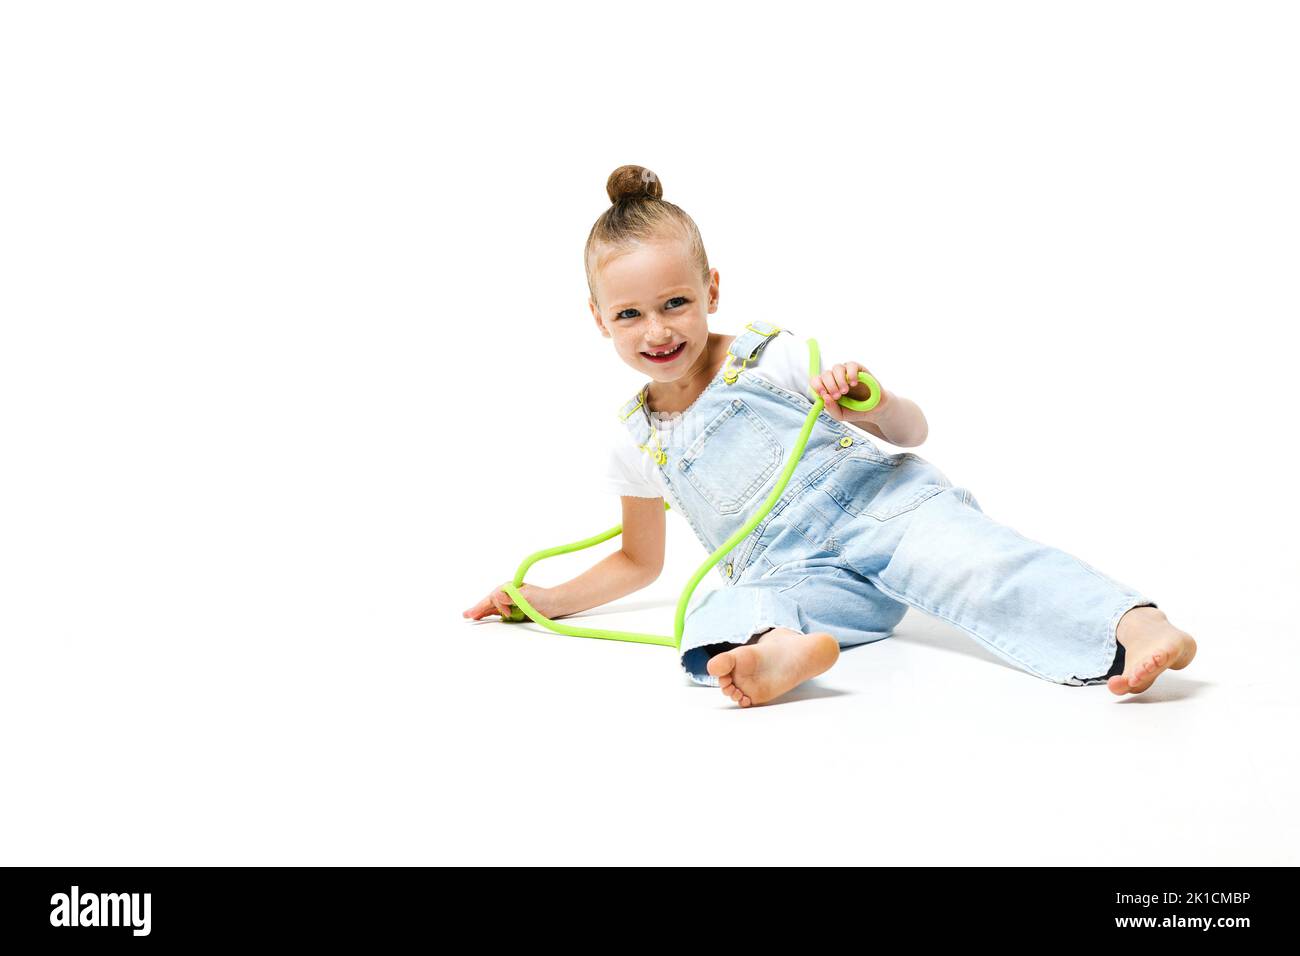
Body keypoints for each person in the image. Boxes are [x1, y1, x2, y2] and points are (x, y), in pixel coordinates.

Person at [464, 164, 1198, 707]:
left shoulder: (770, 356)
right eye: (629, 315)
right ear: (598, 319)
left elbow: (914, 428)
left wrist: (872, 405)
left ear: (711, 290)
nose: (656, 331)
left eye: (676, 302)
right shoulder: (637, 437)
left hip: (887, 515)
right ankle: (781, 650)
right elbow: (638, 561)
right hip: (800, 576)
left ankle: (1132, 622)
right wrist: (547, 599)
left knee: (982, 562)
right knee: (716, 610)